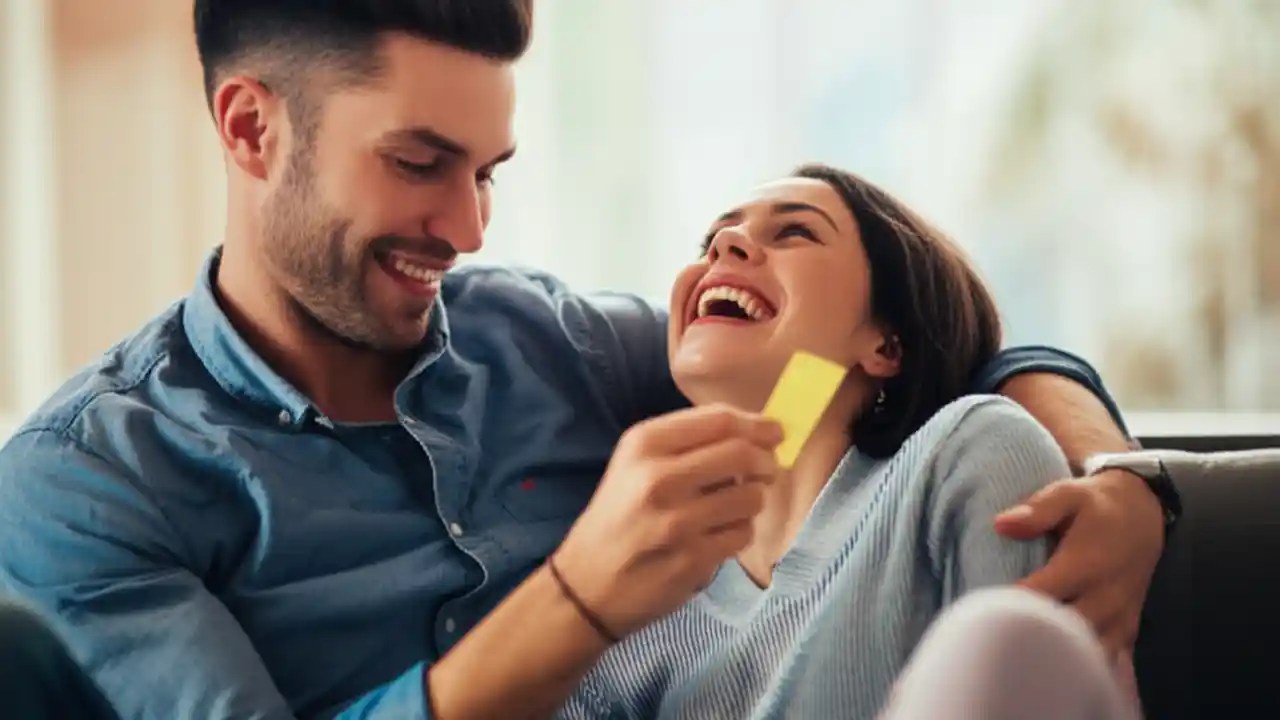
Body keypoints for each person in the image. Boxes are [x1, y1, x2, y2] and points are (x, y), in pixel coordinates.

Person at [0, 2, 1170, 718]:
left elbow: (926, 352)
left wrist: (1121, 477)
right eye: (418, 162)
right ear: (252, 128)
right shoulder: (87, 482)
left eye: (488, 171)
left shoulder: (548, 344)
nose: (466, 231)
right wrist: (574, 604)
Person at [552, 164, 1137, 718]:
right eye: (711, 241)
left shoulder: (965, 454)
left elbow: (1032, 676)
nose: (726, 246)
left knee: (1008, 638)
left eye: (795, 231)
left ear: (885, 346)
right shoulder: (641, 603)